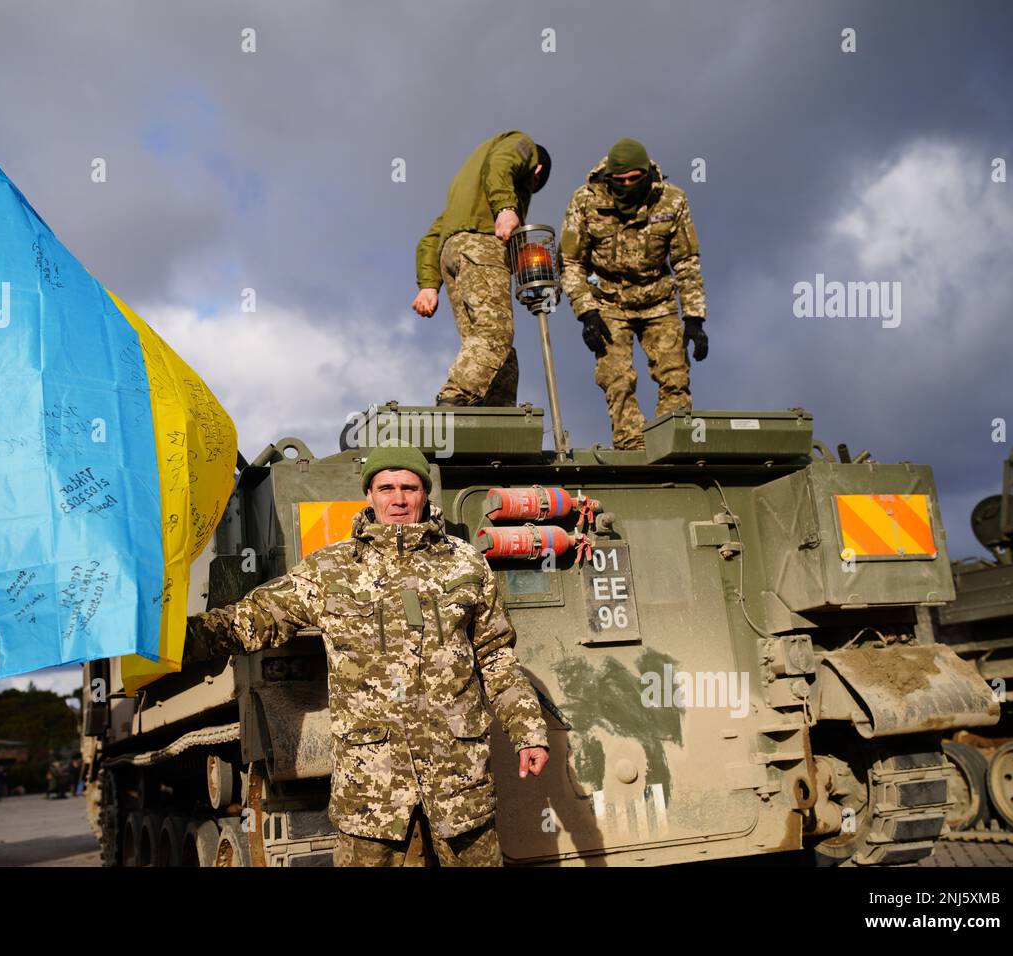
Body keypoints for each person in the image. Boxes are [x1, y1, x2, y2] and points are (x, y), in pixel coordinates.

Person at [185, 445, 550, 866]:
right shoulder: (331, 569)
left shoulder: (466, 565)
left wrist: (528, 732)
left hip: (458, 780)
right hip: (372, 791)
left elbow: (496, 657)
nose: (398, 499)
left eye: (409, 488)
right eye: (386, 488)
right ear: (369, 495)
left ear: (425, 493)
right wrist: (177, 639)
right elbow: (255, 619)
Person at [559, 138, 707, 449]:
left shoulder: (672, 200)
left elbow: (686, 261)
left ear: (646, 175)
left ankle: (672, 446)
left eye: (634, 179)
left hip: (658, 300)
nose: (627, 185)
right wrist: (586, 312)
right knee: (616, 378)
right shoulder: (585, 200)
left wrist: (694, 317)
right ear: (609, 178)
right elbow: (571, 262)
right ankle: (633, 446)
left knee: (675, 377)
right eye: (620, 180)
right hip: (608, 303)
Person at [412, 132, 552, 407]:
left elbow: (430, 238)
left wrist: (428, 285)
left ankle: (496, 417)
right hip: (482, 247)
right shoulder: (523, 145)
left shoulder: (467, 199)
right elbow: (500, 163)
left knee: (489, 347)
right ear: (536, 170)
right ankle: (454, 397)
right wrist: (506, 207)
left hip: (453, 253)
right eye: (532, 186)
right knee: (495, 331)